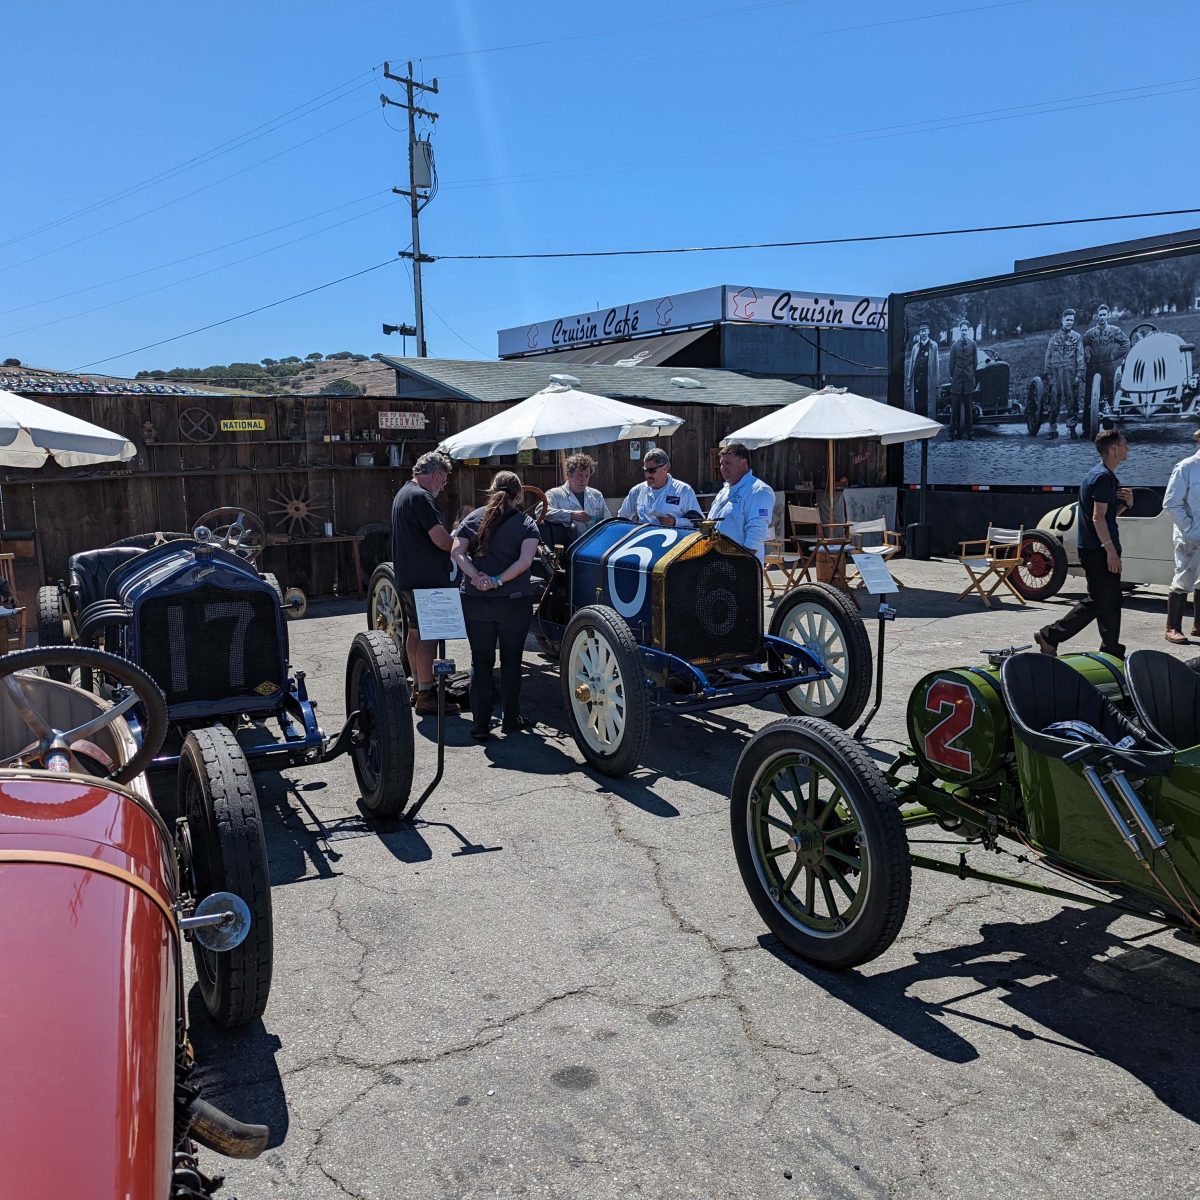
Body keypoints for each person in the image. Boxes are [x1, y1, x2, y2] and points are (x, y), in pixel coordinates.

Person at [451, 471, 541, 741]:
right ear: (519, 494)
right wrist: (498, 580)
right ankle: (510, 719)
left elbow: (456, 552)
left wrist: (477, 577)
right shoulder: (527, 523)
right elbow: (525, 561)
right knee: (511, 661)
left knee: (480, 662)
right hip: (513, 602)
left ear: (491, 490)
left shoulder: (472, 518)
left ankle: (480, 723)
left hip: (475, 601)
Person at [1035, 428, 1132, 659]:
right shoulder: (1103, 478)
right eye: (1124, 445)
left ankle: (1112, 650)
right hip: (1098, 550)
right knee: (1100, 600)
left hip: (1096, 547)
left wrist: (1126, 505)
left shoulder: (1101, 475)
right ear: (1114, 449)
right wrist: (1110, 551)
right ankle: (1051, 635)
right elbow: (1098, 518)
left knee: (1110, 599)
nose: (1128, 449)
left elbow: (1103, 517)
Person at [390, 451, 458, 716]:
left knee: (415, 632)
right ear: (437, 474)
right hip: (427, 578)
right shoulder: (422, 497)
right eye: (443, 480)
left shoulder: (404, 493)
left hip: (409, 576)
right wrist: (463, 545)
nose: (443, 485)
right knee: (429, 634)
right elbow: (441, 540)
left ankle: (419, 685)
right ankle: (427, 695)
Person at [708, 443, 776, 562]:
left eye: (728, 463)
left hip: (740, 564)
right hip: (716, 560)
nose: (723, 468)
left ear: (743, 463)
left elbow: (757, 531)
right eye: (721, 464)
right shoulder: (725, 489)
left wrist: (743, 563)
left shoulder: (758, 490)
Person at [1162, 428, 1200, 644]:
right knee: (1183, 579)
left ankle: (1198, 626)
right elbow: (1171, 503)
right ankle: (1172, 627)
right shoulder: (1186, 467)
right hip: (1190, 537)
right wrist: (1190, 528)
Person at [617, 447, 700, 528]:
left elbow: (698, 522)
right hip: (644, 540)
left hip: (674, 540)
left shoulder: (683, 491)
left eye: (652, 470)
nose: (647, 474)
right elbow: (622, 518)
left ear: (665, 468)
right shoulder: (637, 491)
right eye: (645, 470)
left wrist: (675, 522)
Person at [544, 453, 609, 542]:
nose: (583, 479)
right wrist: (570, 515)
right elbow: (541, 512)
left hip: (594, 545)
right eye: (580, 475)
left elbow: (607, 521)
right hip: (568, 547)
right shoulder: (555, 494)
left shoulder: (596, 495)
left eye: (587, 475)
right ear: (569, 475)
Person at [1044, 308, 1084, 439]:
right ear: (1062, 320)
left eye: (1071, 320)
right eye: (1067, 320)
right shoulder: (1054, 338)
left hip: (1070, 373)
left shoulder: (1077, 337)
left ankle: (1071, 428)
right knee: (1054, 402)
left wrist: (1079, 374)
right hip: (1056, 374)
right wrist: (1048, 375)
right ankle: (1052, 429)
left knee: (1072, 401)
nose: (1069, 322)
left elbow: (1080, 356)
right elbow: (1048, 357)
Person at [1083, 304, 1130, 413]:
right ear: (1097, 316)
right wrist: (1086, 357)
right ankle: (1088, 426)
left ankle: (1108, 424)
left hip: (1108, 366)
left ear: (1108, 316)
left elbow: (1126, 343)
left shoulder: (1114, 330)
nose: (1102, 317)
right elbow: (1080, 347)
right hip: (1093, 366)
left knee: (1108, 394)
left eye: (1104, 315)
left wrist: (1115, 355)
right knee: (1090, 396)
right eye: (1100, 315)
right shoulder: (1090, 333)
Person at [947, 319, 977, 441]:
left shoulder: (973, 345)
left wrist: (971, 374)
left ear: (968, 331)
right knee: (955, 410)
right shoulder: (954, 346)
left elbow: (975, 364)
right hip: (957, 382)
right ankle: (953, 433)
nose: (964, 332)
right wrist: (954, 376)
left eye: (966, 330)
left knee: (969, 409)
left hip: (968, 381)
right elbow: (951, 364)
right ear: (960, 331)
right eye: (962, 330)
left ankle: (970, 433)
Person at [905, 323, 941, 419]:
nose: (923, 333)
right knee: (917, 406)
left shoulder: (933, 346)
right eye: (921, 331)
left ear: (928, 332)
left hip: (928, 382)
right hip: (917, 382)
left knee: (928, 406)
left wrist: (937, 384)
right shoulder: (915, 347)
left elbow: (936, 366)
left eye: (925, 331)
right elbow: (911, 366)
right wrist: (909, 382)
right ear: (919, 333)